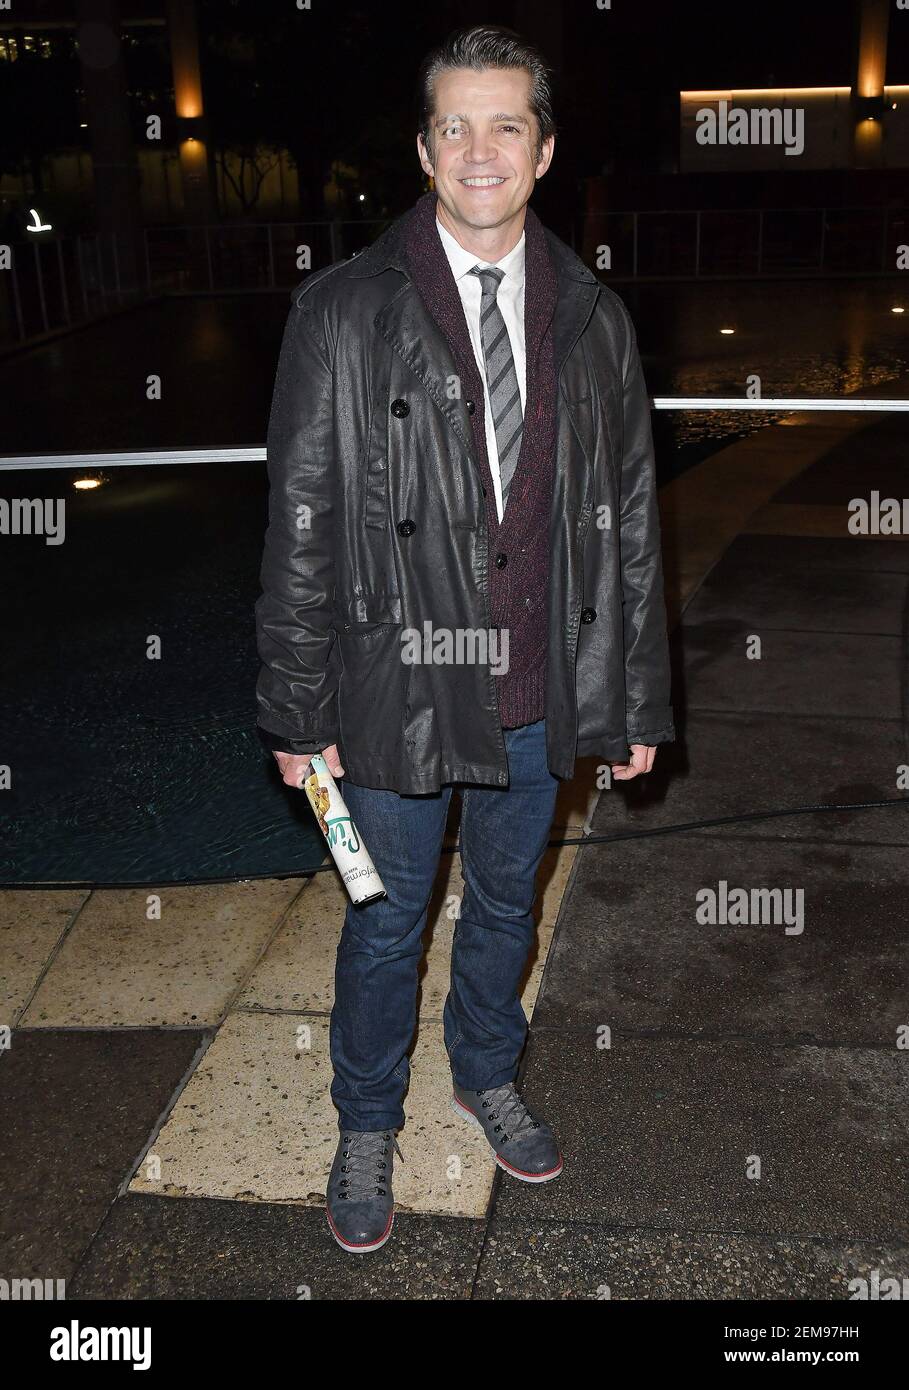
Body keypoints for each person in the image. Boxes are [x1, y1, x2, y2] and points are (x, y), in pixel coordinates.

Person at [255, 23, 675, 1253]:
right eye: (455, 126)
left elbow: (632, 524)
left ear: (542, 151)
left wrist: (635, 695)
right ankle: (364, 1118)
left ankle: (485, 1068)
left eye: (506, 126)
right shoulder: (339, 310)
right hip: (396, 681)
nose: (479, 149)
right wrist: (294, 709)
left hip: (542, 678)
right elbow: (299, 523)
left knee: (505, 899)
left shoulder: (595, 317)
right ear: (426, 150)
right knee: (385, 918)